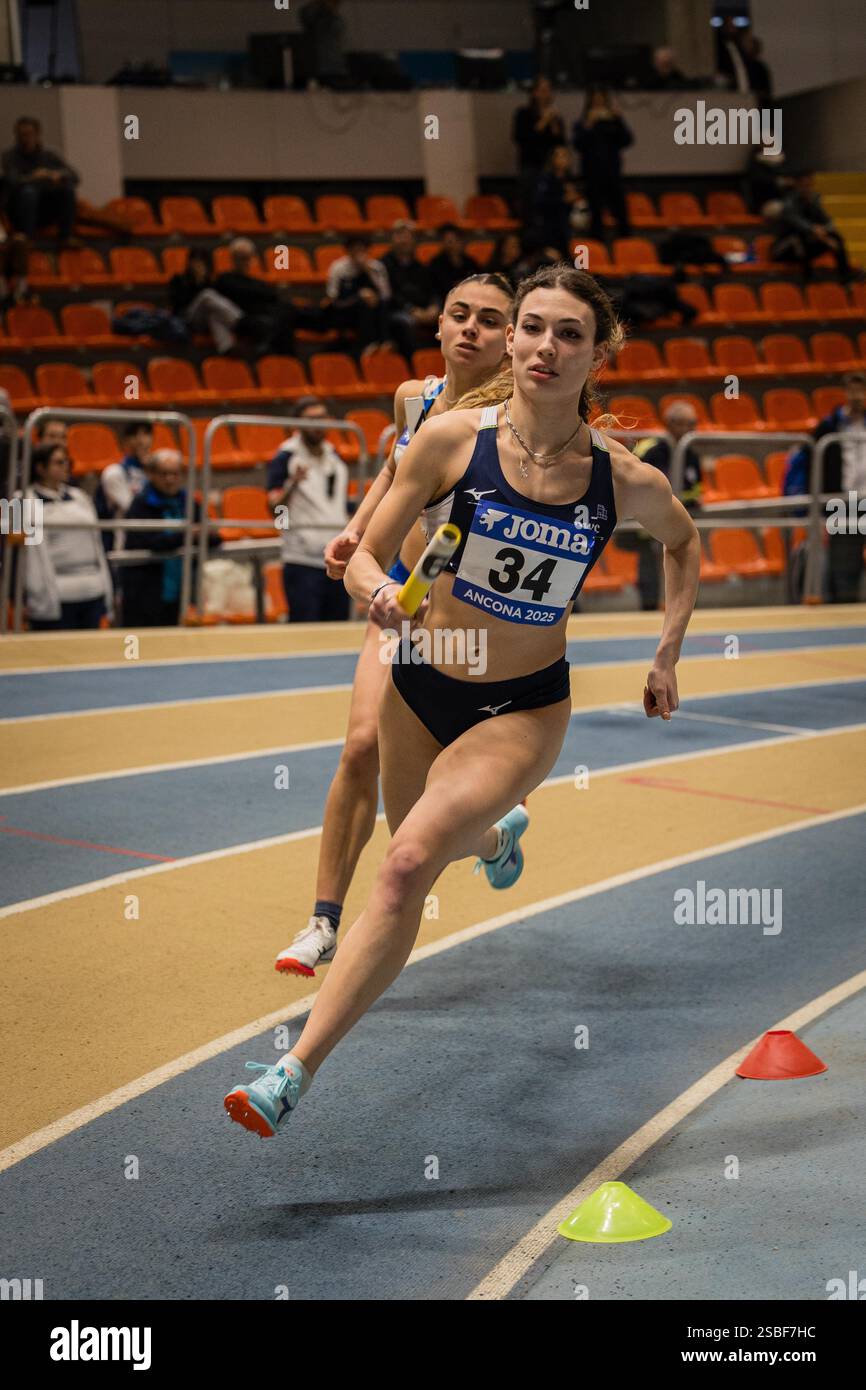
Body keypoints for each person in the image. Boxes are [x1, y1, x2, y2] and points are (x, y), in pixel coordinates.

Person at [225, 263, 701, 1136]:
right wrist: (378, 590)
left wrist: (666, 654)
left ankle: (292, 1069)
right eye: (533, 328)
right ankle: (495, 836)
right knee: (428, 843)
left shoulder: (623, 479)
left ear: (597, 358)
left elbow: (684, 542)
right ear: (512, 340)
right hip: (421, 680)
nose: (545, 347)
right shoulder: (449, 439)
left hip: (521, 706)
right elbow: (366, 556)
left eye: (569, 334)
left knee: (406, 863)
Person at [272, 272, 515, 977]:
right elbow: (391, 470)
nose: (470, 328)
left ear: (509, 341)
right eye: (458, 313)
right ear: (437, 325)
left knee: (433, 799)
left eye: (489, 320)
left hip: (467, 619)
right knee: (360, 746)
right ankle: (323, 923)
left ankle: (493, 841)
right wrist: (358, 532)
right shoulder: (415, 396)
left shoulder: (516, 421)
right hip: (397, 598)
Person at [266, 397, 351, 622]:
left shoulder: (335, 457)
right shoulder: (285, 458)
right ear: (297, 423)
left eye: (322, 418)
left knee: (337, 631)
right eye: (311, 419)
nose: (318, 425)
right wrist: (292, 485)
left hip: (336, 560)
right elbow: (276, 513)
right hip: (301, 561)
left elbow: (338, 503)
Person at [121, 450, 217, 627]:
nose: (170, 479)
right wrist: (190, 535)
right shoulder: (141, 504)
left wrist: (207, 533)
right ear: (152, 475)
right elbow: (151, 542)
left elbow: (212, 537)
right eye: (164, 474)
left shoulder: (188, 502)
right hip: (146, 593)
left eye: (175, 474)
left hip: (180, 591)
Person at [23, 442, 113, 630]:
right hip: (52, 595)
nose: (66, 467)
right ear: (40, 468)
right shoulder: (19, 500)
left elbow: (97, 541)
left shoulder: (80, 496)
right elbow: (13, 552)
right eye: (59, 462)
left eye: (67, 462)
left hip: (92, 591)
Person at [629, 401, 703, 610]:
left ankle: (684, 607)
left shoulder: (691, 453)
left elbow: (696, 491)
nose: (690, 429)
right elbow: (633, 486)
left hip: (677, 522)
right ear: (669, 423)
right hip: (645, 523)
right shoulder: (649, 449)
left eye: (693, 424)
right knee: (651, 557)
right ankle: (650, 606)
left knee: (689, 552)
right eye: (684, 423)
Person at [814, 372, 866, 602]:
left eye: (861, 391)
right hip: (843, 502)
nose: (857, 396)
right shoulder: (829, 427)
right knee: (844, 567)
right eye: (853, 391)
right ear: (845, 393)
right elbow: (817, 467)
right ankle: (845, 606)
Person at [2, 116, 79, 247]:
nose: (25, 138)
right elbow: (11, 181)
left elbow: (74, 176)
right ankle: (26, 238)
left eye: (29, 134)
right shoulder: (9, 156)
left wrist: (56, 175)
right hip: (19, 210)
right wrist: (34, 177)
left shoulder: (49, 155)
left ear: (37, 134)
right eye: (21, 135)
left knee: (67, 190)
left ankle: (66, 237)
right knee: (29, 192)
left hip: (46, 209)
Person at [571, 88, 633, 242]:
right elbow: (578, 144)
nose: (598, 103)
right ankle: (596, 243)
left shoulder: (613, 122)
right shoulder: (582, 123)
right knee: (595, 212)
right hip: (592, 174)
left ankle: (626, 242)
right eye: (595, 100)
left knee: (620, 210)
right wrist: (588, 125)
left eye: (601, 100)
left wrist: (619, 120)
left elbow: (627, 140)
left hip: (612, 173)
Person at [770, 174, 855, 284]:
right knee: (800, 239)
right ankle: (807, 280)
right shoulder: (789, 203)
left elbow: (827, 222)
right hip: (785, 247)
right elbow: (800, 225)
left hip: (808, 242)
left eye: (809, 185)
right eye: (804, 185)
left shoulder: (813, 201)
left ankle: (845, 277)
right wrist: (822, 237)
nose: (807, 189)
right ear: (797, 186)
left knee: (836, 237)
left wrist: (825, 232)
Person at [380, 220, 440, 363]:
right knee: (406, 323)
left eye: (408, 236)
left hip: (422, 311)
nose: (404, 240)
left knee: (446, 321)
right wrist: (412, 310)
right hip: (394, 312)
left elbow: (431, 290)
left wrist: (433, 307)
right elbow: (389, 296)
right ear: (392, 239)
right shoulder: (382, 265)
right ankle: (415, 365)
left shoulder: (420, 266)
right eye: (399, 235)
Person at [322, 233, 391, 357]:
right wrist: (358, 297)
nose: (358, 253)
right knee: (362, 303)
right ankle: (366, 346)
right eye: (354, 250)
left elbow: (386, 294)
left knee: (380, 305)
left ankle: (382, 343)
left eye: (362, 250)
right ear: (348, 251)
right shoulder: (338, 267)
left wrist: (367, 270)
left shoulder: (376, 267)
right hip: (345, 309)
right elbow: (333, 297)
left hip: (374, 310)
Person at [512, 75, 566, 223]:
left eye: (548, 90)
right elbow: (521, 138)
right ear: (534, 93)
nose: (546, 94)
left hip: (551, 168)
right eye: (542, 90)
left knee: (553, 209)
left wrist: (553, 124)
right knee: (531, 208)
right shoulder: (524, 113)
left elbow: (561, 143)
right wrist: (543, 121)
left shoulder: (555, 116)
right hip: (531, 166)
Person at [168, 247, 243, 354]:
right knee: (207, 295)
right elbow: (178, 303)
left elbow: (217, 303)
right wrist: (197, 283)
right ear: (189, 263)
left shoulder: (210, 281)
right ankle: (240, 320)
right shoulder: (178, 279)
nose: (197, 265)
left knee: (214, 315)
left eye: (201, 262)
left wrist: (203, 281)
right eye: (195, 261)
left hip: (204, 320)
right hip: (186, 319)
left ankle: (226, 348)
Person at [97, 419, 152, 553]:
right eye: (135, 435)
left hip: (155, 541)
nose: (141, 440)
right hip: (125, 545)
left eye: (146, 434)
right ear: (125, 441)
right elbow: (134, 511)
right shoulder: (114, 473)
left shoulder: (156, 473)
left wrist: (150, 471)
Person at [530, 144, 581, 259]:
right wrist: (563, 200)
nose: (564, 159)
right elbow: (539, 203)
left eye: (566, 156)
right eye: (560, 156)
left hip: (566, 228)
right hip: (549, 229)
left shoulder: (569, 180)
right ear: (552, 159)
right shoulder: (545, 180)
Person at [299, 0, 348, 86]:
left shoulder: (335, 18)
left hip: (336, 67)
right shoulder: (314, 13)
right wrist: (323, 6)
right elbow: (306, 15)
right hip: (320, 68)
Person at [427, 224, 478, 305]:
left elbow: (479, 280)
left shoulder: (470, 262)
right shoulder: (436, 263)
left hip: (471, 299)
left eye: (456, 240)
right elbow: (437, 289)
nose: (453, 245)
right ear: (443, 242)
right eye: (449, 241)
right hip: (445, 302)